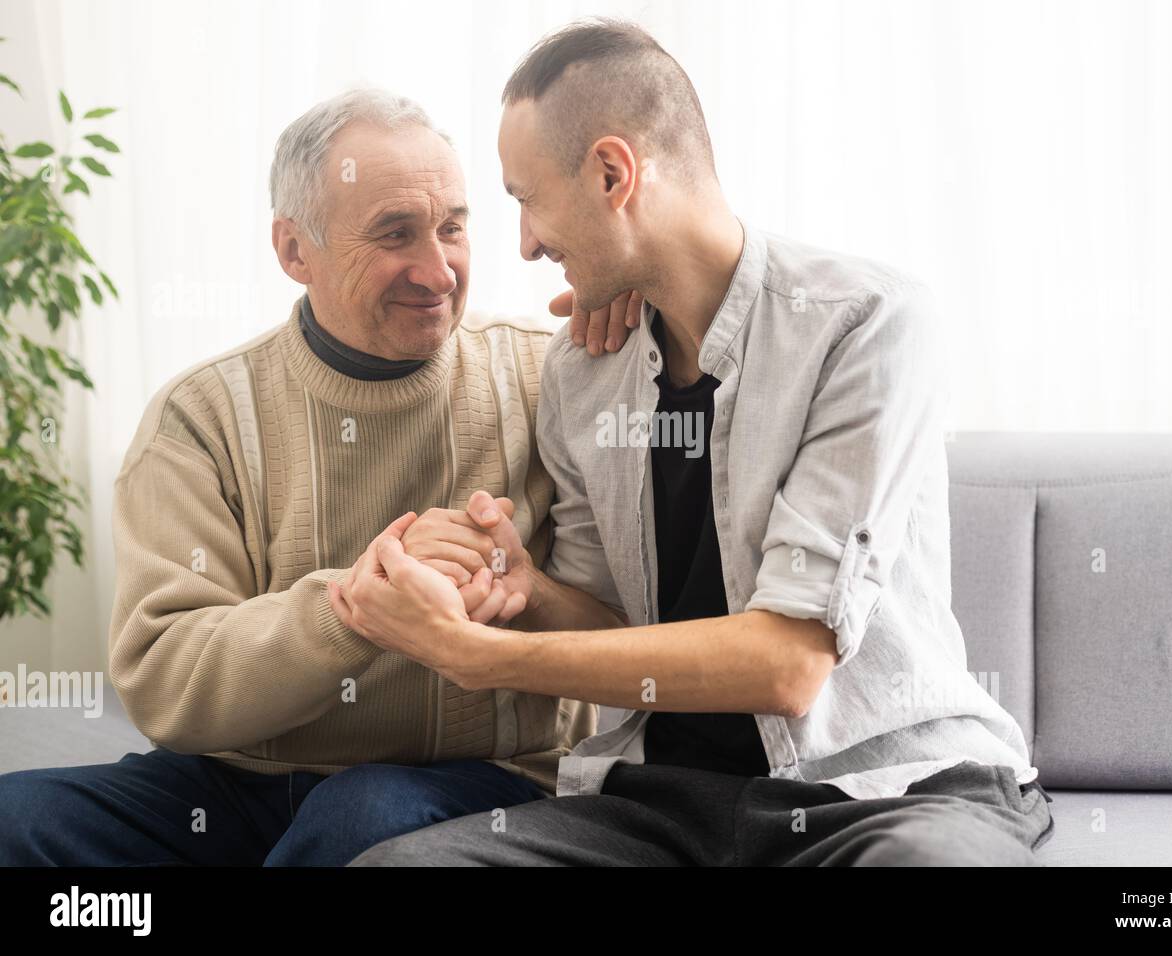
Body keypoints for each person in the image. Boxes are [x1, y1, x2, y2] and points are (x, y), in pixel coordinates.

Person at [339, 19, 1055, 867]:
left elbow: (788, 665)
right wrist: (531, 592)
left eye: (527, 199)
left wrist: (484, 657)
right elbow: (615, 625)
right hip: (667, 805)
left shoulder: (864, 323)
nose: (526, 243)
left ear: (612, 174)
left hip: (883, 789)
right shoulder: (583, 369)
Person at [0, 88, 637, 867]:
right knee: (16, 819)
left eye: (452, 227)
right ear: (294, 250)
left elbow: (637, 631)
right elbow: (164, 679)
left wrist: (643, 290)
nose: (438, 271)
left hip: (481, 783)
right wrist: (355, 606)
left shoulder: (552, 374)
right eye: (395, 234)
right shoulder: (197, 418)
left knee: (355, 815)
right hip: (237, 784)